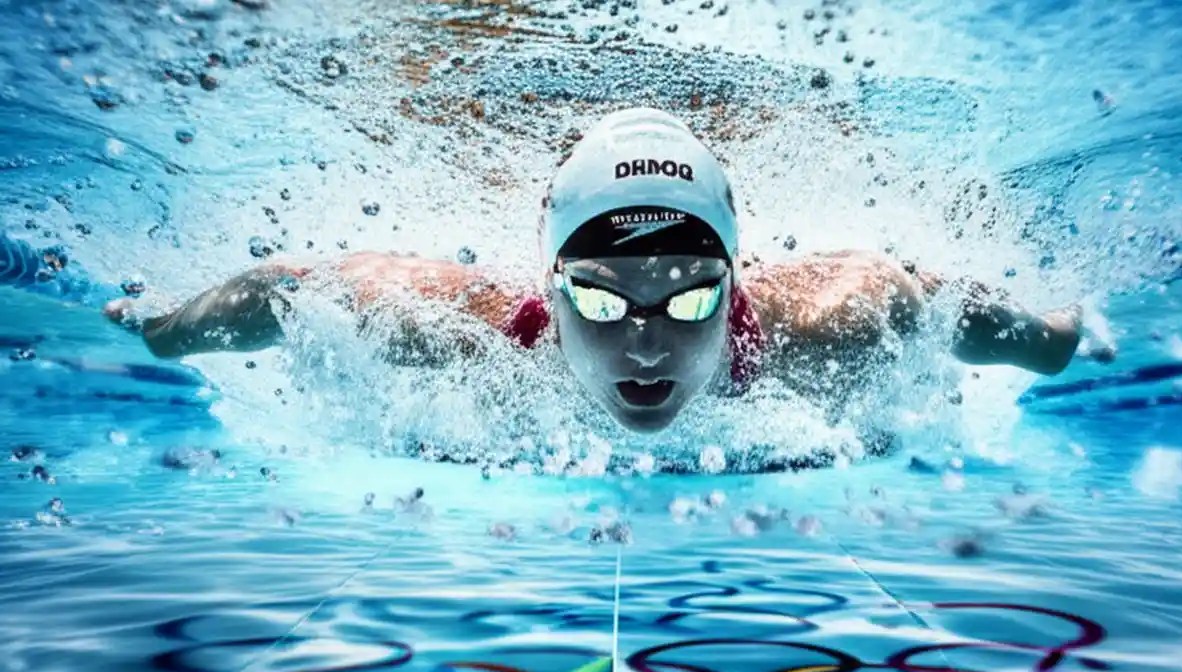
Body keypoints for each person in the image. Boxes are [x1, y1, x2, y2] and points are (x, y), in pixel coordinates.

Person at [104, 108, 1103, 433]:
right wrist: (162, 326)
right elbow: (285, 292)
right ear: (545, 292)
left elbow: (953, 310)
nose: (643, 336)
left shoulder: (835, 321)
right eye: (596, 295)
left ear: (738, 284)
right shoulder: (444, 325)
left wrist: (1063, 338)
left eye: (690, 294)